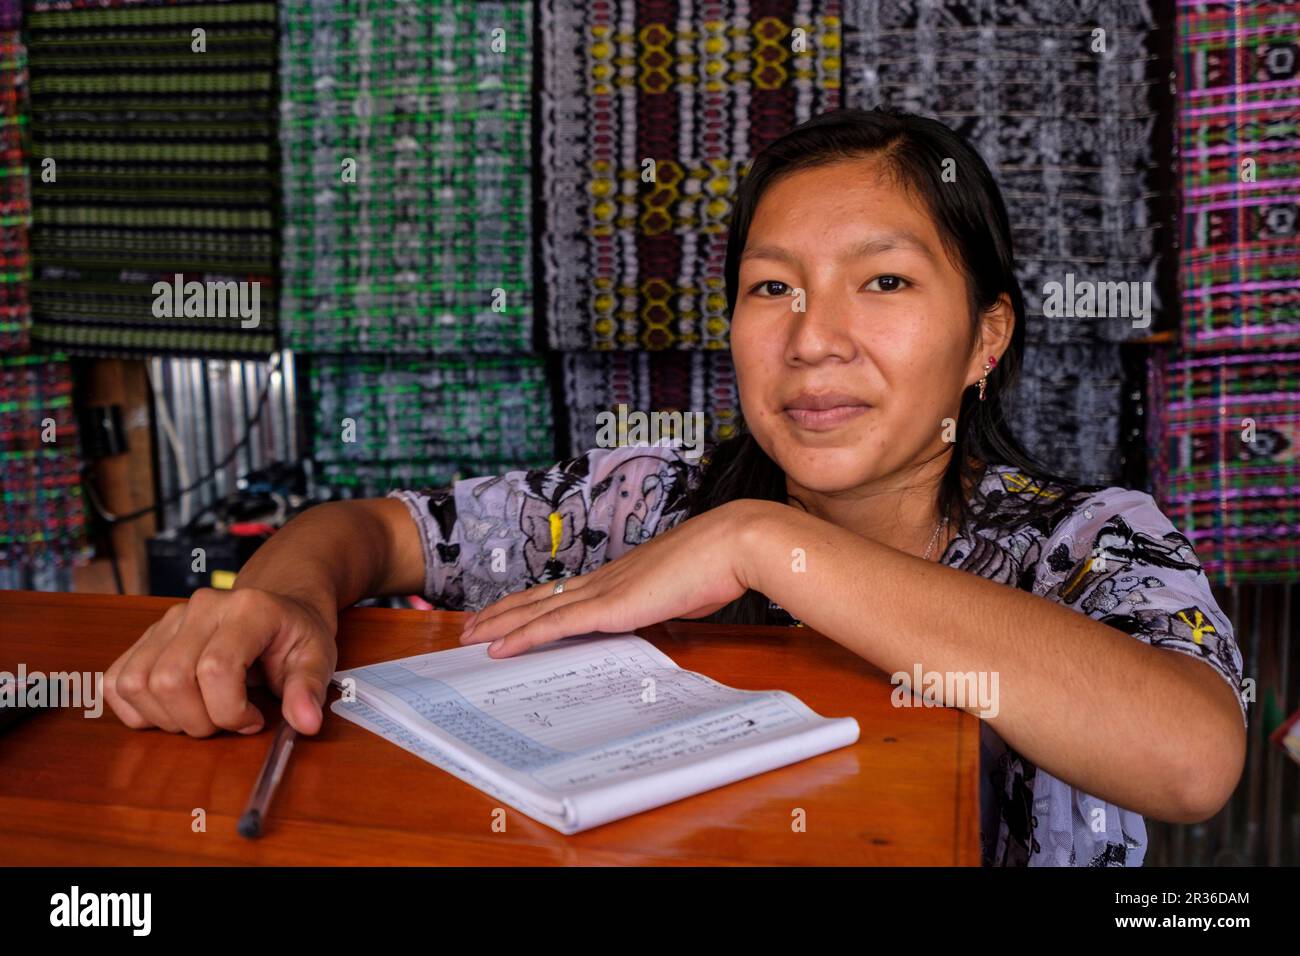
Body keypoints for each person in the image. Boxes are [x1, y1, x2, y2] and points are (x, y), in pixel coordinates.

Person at [104, 107, 1248, 866]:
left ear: (985, 335)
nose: (813, 340)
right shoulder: (642, 500)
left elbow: (1192, 759)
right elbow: (369, 529)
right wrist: (290, 593)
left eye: (884, 280)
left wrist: (766, 544)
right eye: (770, 288)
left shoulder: (1087, 540)